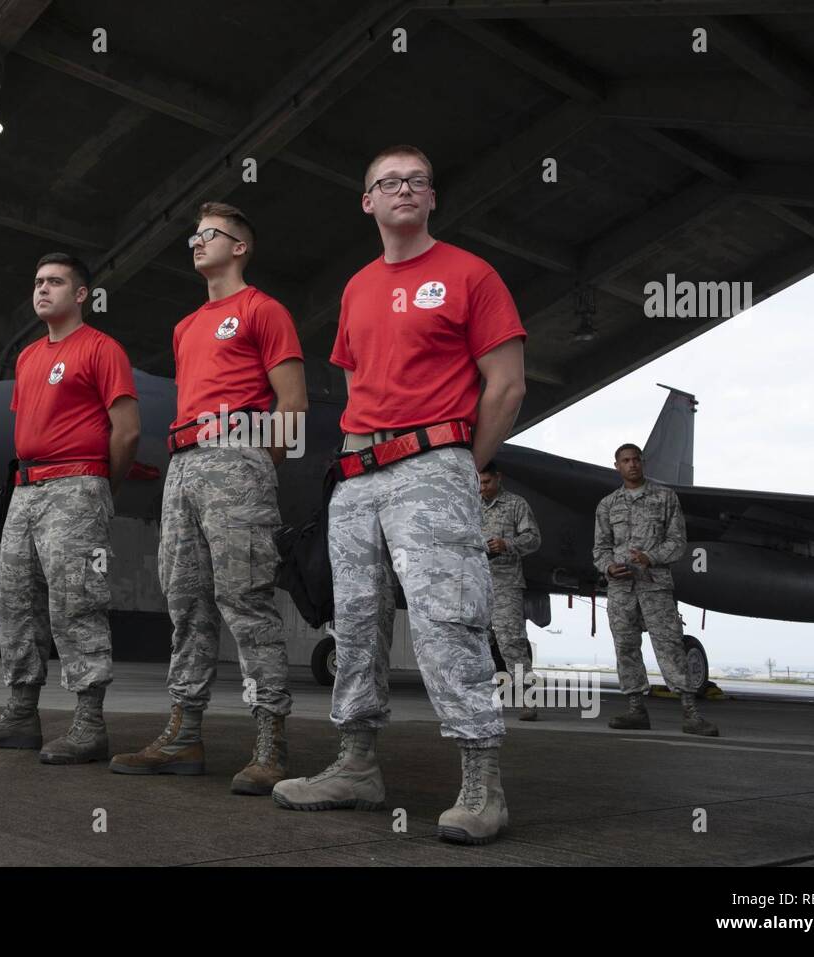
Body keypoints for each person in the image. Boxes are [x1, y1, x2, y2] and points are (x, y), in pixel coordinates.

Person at [272, 146, 527, 846]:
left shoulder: (470, 274)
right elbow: (357, 386)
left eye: (416, 180)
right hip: (357, 473)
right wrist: (368, 456)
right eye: (388, 181)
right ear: (369, 202)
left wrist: (453, 463)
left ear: (432, 197)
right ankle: (356, 765)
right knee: (353, 621)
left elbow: (505, 385)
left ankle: (482, 784)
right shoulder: (355, 288)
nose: (403, 189)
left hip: (432, 462)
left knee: (448, 618)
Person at [109, 202, 308, 795]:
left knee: (245, 600)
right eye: (194, 235)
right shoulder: (186, 326)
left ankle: (271, 741)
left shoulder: (264, 310)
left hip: (236, 457)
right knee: (186, 604)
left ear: (240, 247)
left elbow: (292, 409)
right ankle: (183, 735)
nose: (197, 242)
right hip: (184, 464)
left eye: (210, 234)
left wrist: (252, 464)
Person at [0, 253, 140, 763]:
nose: (42, 290)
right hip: (26, 489)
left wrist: (102, 486)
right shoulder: (28, 356)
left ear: (81, 295)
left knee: (76, 602)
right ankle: (20, 715)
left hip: (77, 484)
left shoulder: (102, 349)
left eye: (55, 282)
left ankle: (88, 724)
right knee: (15, 603)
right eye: (37, 282)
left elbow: (126, 431)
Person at [593, 443, 718, 736]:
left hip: (655, 586)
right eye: (625, 461)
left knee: (669, 644)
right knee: (625, 647)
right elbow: (600, 549)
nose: (632, 465)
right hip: (621, 588)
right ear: (617, 466)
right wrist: (609, 567)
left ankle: (691, 714)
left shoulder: (665, 498)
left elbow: (677, 541)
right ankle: (636, 710)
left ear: (642, 463)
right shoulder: (608, 505)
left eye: (636, 460)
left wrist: (652, 558)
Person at [479, 461, 542, 720]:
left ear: (498, 478)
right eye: (479, 483)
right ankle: (478, 700)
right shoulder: (469, 505)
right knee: (474, 644)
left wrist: (507, 544)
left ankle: (528, 700)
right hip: (474, 585)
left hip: (506, 584)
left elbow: (534, 539)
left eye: (487, 482)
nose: (482, 488)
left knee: (511, 642)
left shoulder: (516, 505)